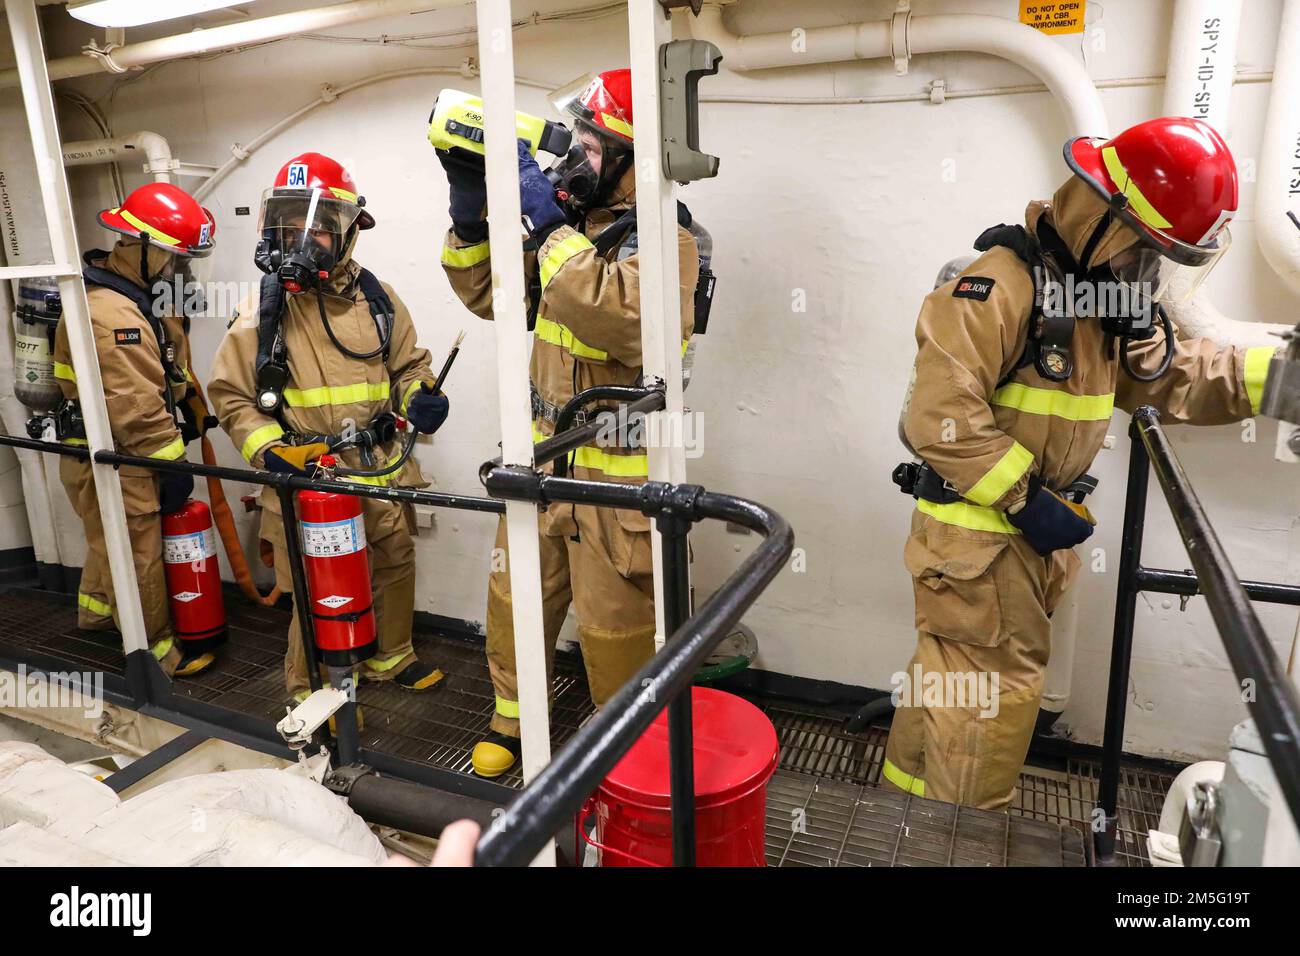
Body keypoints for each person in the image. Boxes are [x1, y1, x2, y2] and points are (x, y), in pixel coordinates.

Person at [884, 116, 1283, 811]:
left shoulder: (1091, 297)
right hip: (983, 538)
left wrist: (1276, 382)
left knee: (949, 686)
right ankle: (960, 843)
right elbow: (937, 418)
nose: (1148, 273)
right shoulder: (998, 287)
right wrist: (1025, 497)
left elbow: (1167, 380)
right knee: (992, 702)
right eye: (1147, 251)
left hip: (1014, 541)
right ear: (1105, 219)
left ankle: (905, 817)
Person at [438, 69, 708, 777]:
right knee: (514, 601)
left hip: (614, 489)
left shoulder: (667, 239)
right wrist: (471, 213)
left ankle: (622, 754)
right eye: (576, 141)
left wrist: (549, 228)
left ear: (630, 160)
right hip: (538, 468)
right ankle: (513, 715)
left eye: (589, 146)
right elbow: (488, 296)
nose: (570, 158)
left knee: (615, 628)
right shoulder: (571, 230)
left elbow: (624, 320)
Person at [208, 152, 449, 704]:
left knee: (392, 561)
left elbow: (410, 366)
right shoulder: (261, 311)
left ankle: (392, 658)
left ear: (347, 230)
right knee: (318, 588)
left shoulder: (378, 300)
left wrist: (420, 397)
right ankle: (313, 694)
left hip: (377, 467)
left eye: (316, 224)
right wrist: (268, 450)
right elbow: (230, 395)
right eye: (290, 223)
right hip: (308, 476)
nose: (301, 237)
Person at [53, 182, 219, 678]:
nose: (180, 271)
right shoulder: (112, 315)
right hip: (120, 455)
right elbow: (137, 411)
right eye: (174, 259)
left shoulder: (134, 298)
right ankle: (155, 653)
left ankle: (96, 613)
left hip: (108, 452)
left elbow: (166, 369)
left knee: (111, 540)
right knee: (138, 550)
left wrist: (191, 404)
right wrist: (170, 466)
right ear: (141, 248)